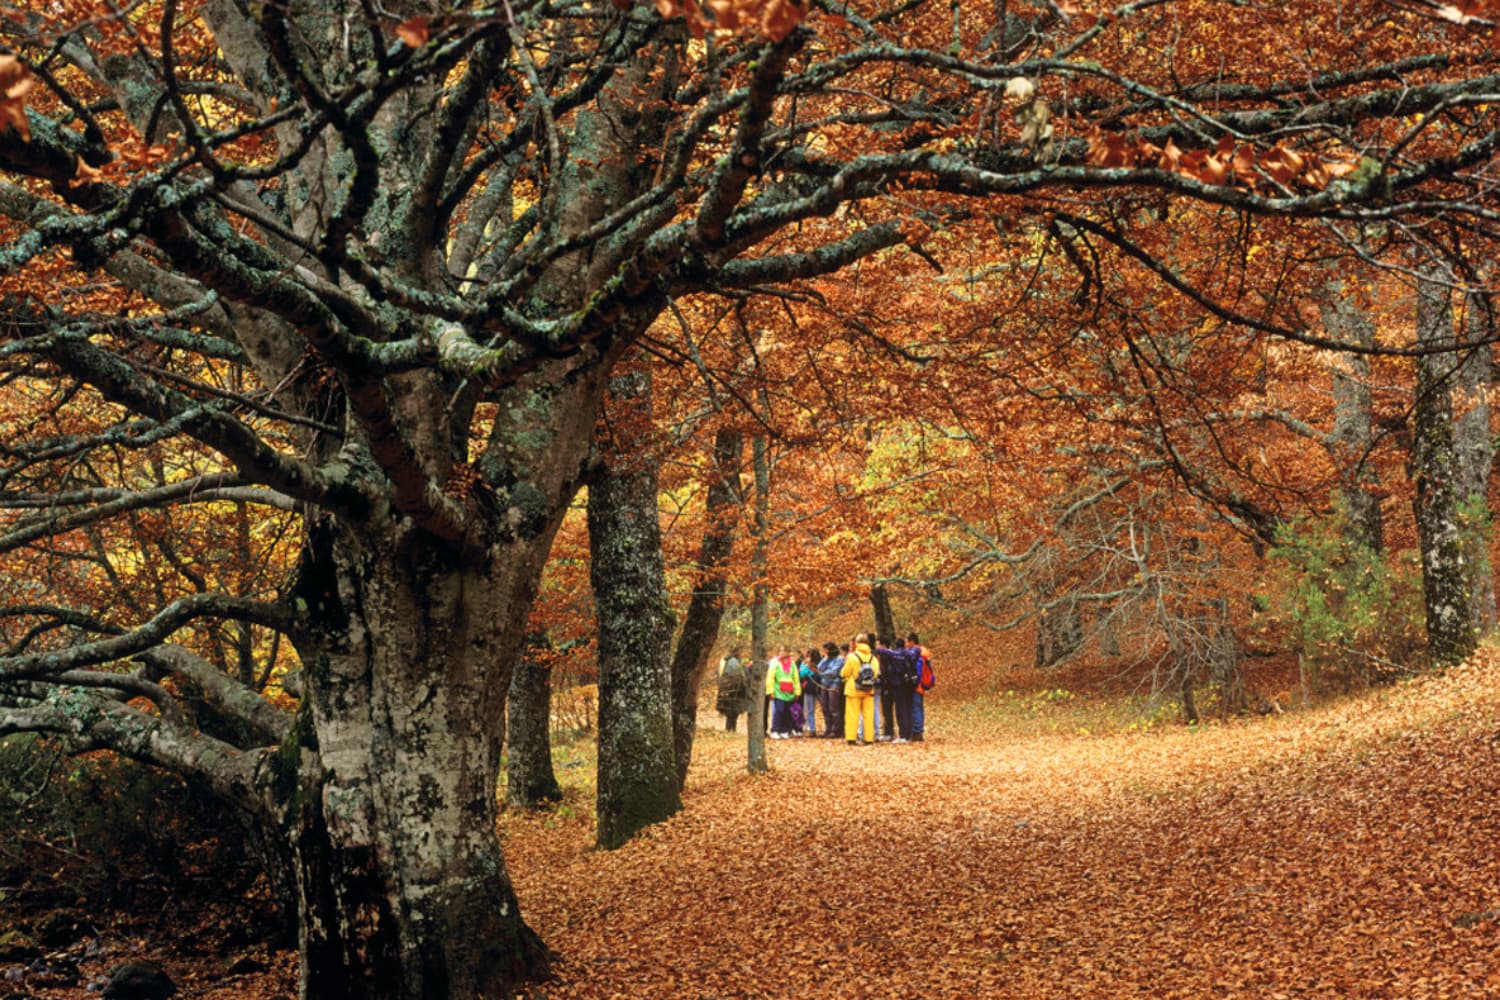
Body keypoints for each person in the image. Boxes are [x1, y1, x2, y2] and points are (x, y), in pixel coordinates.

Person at [875, 636, 918, 743]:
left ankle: (903, 735)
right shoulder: (910, 654)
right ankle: (908, 734)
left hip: (898, 685)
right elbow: (918, 651)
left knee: (901, 710)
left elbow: (882, 651)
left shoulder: (895, 655)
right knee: (907, 709)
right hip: (909, 684)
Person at [840, 633, 879, 745]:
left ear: (857, 643)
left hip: (854, 689)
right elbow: (876, 674)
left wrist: (846, 677)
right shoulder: (873, 659)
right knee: (868, 715)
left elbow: (844, 672)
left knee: (852, 714)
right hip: (868, 689)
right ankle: (868, 738)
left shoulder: (852, 657)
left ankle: (851, 738)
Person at [766, 647, 802, 739]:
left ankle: (784, 730)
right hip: (779, 691)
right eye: (781, 651)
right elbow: (770, 677)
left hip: (790, 692)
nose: (782, 653)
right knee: (779, 711)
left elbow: (796, 678)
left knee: (787, 712)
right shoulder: (775, 663)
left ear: (788, 653)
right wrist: (770, 691)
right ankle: (775, 730)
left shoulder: (792, 664)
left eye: (784, 651)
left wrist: (797, 692)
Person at [715, 648, 750, 732]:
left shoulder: (724, 661)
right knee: (733, 711)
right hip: (736, 690)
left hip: (724, 689)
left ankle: (730, 728)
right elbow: (744, 675)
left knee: (729, 710)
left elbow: (717, 673)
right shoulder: (735, 662)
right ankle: (731, 729)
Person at [816, 641, 844, 738]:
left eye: (826, 650)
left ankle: (836, 730)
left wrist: (822, 673)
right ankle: (828, 729)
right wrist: (825, 658)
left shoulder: (839, 659)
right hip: (824, 684)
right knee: (825, 707)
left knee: (833, 708)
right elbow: (819, 668)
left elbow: (833, 673)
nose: (824, 651)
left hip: (834, 685)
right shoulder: (826, 659)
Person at [909, 631, 933, 741]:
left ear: (912, 641)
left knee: (916, 707)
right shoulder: (924, 653)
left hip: (917, 685)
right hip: (922, 684)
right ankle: (919, 730)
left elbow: (918, 671)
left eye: (907, 641)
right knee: (919, 707)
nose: (906, 644)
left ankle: (917, 732)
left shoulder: (917, 654)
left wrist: (914, 682)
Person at [798, 648, 821, 736]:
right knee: (809, 709)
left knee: (809, 709)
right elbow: (802, 674)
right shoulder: (806, 663)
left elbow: (802, 674)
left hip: (812, 688)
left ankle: (812, 728)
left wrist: (806, 667)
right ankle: (810, 727)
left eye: (808, 655)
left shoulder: (814, 664)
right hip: (811, 688)